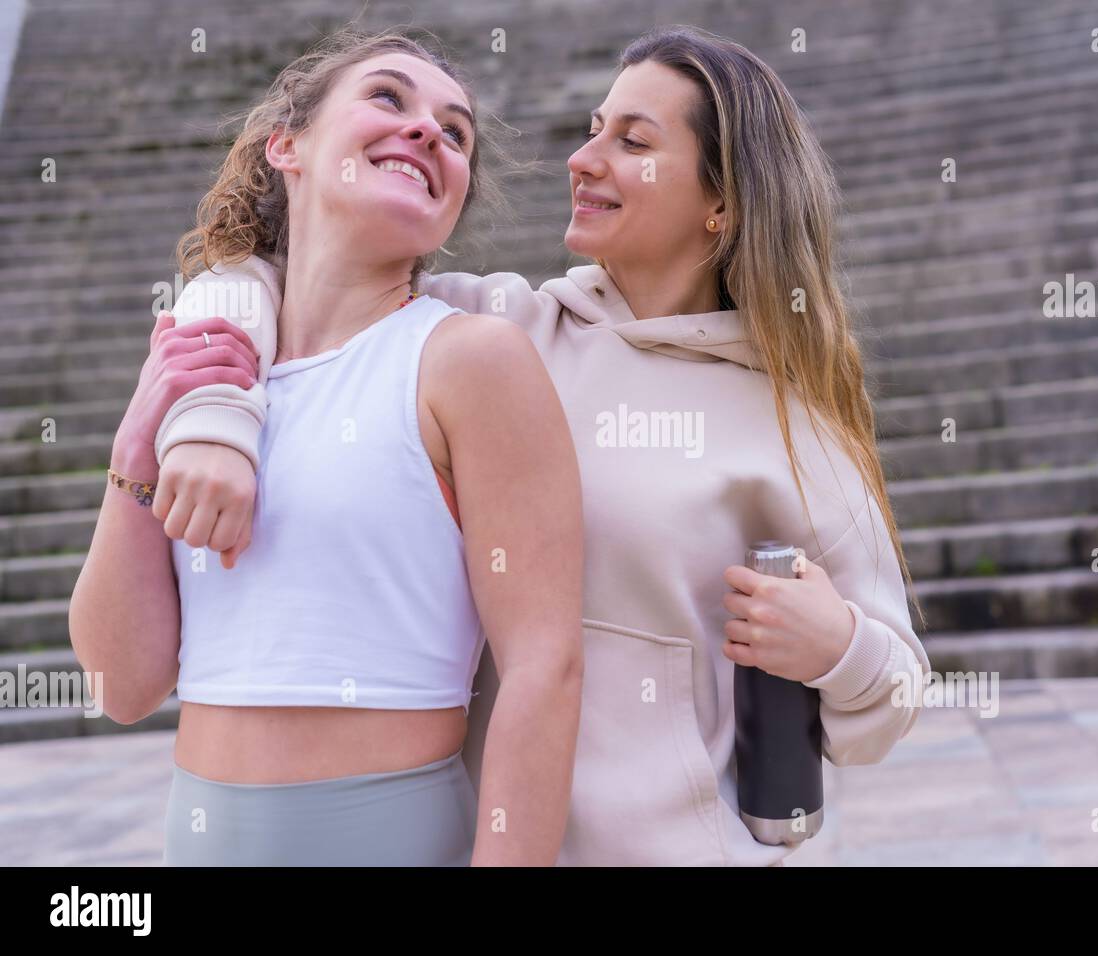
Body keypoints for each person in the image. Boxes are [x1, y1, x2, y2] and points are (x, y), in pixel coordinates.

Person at [148, 25, 930, 866]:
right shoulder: (498, 327)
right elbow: (277, 271)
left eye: (632, 141)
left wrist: (838, 645)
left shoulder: (792, 423)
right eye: (593, 129)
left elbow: (893, 697)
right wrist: (217, 421)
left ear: (723, 203)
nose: (583, 158)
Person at [68, 27, 584, 866]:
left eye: (455, 133)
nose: (428, 131)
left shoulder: (468, 360)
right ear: (287, 145)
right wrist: (135, 450)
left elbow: (544, 667)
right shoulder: (209, 380)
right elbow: (120, 687)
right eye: (388, 97)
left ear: (450, 203)